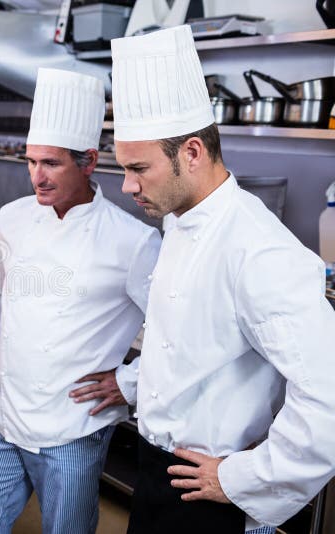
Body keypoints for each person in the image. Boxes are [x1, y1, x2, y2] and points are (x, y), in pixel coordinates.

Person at [110, 24, 335, 534]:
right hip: (156, 474)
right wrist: (126, 384)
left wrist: (243, 478)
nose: (126, 185)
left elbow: (330, 395)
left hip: (211, 499)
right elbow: (185, 349)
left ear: (191, 153)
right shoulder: (177, 219)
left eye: (137, 168)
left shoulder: (258, 249)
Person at [0, 68, 161, 534]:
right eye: (30, 162)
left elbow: (178, 330)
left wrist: (129, 383)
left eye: (51, 164)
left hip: (73, 428)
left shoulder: (133, 241)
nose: (36, 178)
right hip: (6, 412)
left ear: (88, 161)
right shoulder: (13, 218)